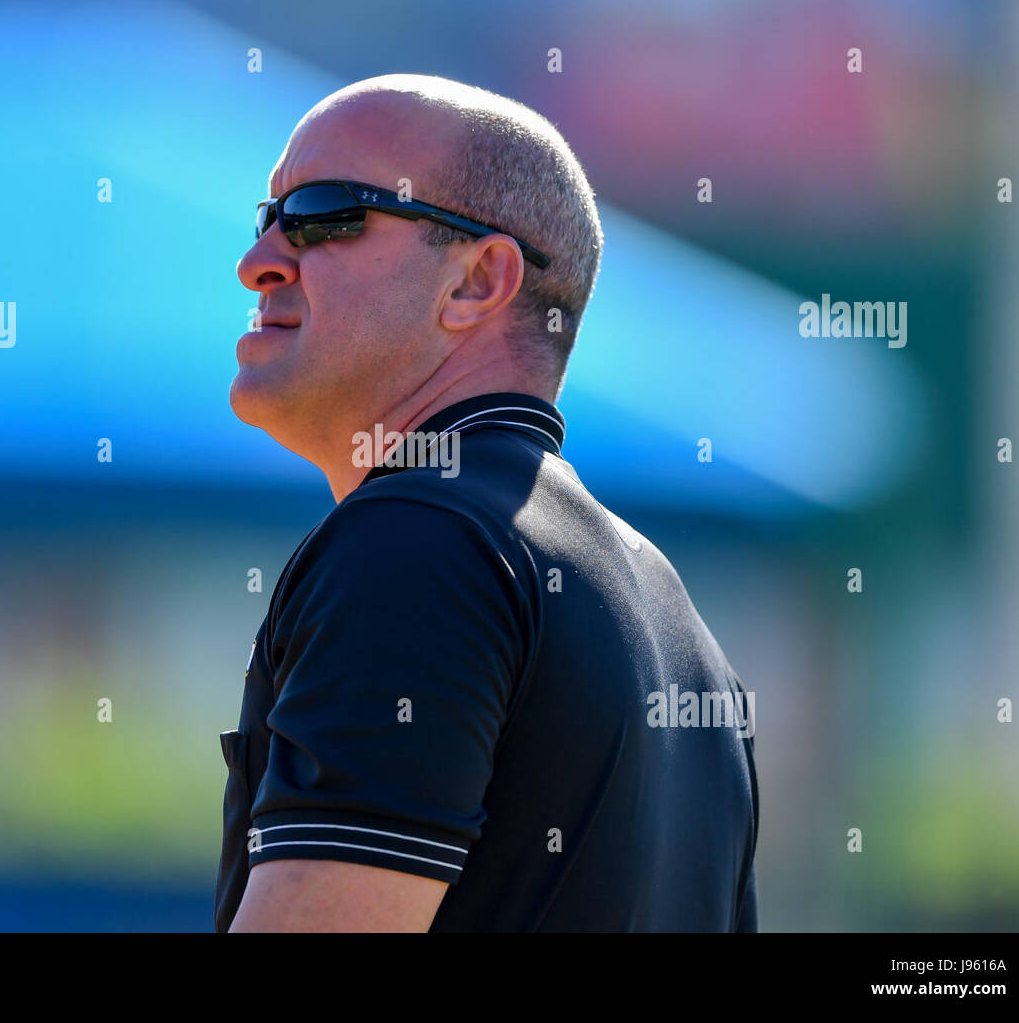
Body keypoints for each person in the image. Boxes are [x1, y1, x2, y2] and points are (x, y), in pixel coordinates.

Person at [215, 73, 759, 932]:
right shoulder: (679, 626)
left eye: (323, 213)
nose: (260, 259)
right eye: (266, 216)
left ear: (476, 282)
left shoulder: (415, 543)